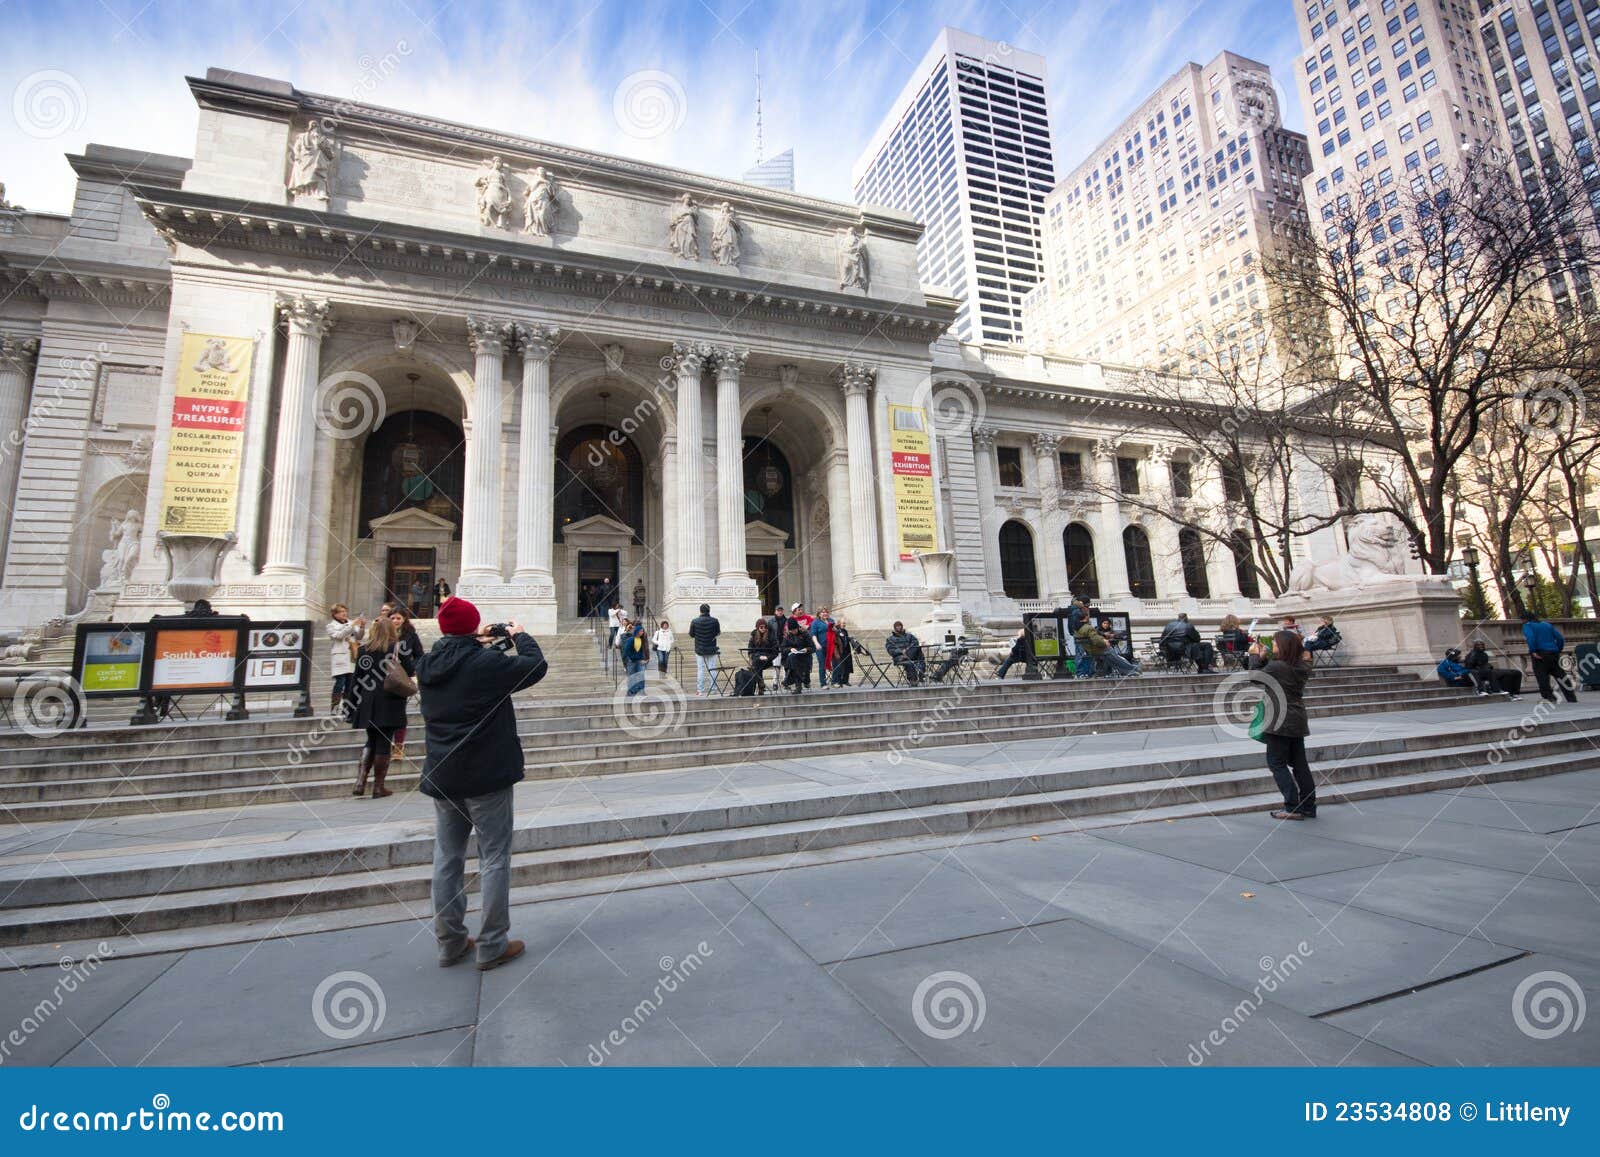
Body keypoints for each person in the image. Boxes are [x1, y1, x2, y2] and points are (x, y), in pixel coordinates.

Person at [418, 596, 547, 971]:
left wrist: (477, 641)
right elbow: (535, 667)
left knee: (447, 858)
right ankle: (492, 944)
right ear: (473, 627)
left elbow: (461, 663)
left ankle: (450, 942)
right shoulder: (485, 664)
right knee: (493, 859)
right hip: (486, 774)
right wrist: (518, 635)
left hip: (443, 774)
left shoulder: (428, 665)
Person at [1248, 630, 1316, 820]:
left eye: (1276, 644)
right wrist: (1263, 659)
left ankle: (1292, 807)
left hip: (1280, 719)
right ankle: (1309, 806)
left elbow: (1255, 677)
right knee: (1300, 765)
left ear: (1284, 647)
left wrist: (1254, 655)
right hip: (1297, 718)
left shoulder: (1278, 666)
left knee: (1276, 763)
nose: (1274, 647)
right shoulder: (1302, 666)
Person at [347, 615, 415, 800]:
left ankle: (360, 782)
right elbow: (409, 671)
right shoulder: (397, 648)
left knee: (371, 740)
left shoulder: (363, 650)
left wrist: (350, 705)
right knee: (385, 741)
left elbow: (356, 680)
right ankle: (378, 786)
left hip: (368, 700)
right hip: (390, 699)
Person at [388, 605, 424, 760]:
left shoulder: (411, 635)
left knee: (399, 713)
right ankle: (384, 744)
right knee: (385, 713)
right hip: (382, 678)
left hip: (401, 679)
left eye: (398, 618)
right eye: (393, 618)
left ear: (404, 620)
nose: (395, 621)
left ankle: (398, 746)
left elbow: (419, 654)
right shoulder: (381, 632)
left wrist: (413, 668)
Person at [1522, 611, 1577, 704]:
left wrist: (1533, 651)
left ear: (1525, 619)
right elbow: (1559, 638)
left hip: (1540, 653)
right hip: (1553, 652)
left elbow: (1530, 638)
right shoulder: (1546, 624)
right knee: (1560, 675)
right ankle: (1571, 697)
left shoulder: (1528, 626)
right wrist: (1558, 648)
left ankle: (1549, 697)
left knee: (1542, 676)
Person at [325, 604, 365, 718]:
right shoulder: (331, 626)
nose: (344, 613)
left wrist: (361, 626)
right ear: (334, 614)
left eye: (345, 611)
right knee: (340, 682)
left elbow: (359, 637)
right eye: (341, 611)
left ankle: (346, 708)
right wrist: (352, 625)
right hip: (339, 657)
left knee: (350, 683)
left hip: (352, 655)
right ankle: (334, 707)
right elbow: (338, 636)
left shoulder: (351, 622)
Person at [689, 603, 721, 696]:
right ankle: (714, 689)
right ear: (709, 610)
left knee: (701, 670)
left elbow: (691, 634)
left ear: (700, 611)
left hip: (700, 648)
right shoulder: (715, 621)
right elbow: (718, 633)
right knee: (712, 669)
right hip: (711, 648)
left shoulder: (695, 621)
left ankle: (700, 690)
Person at [781, 617, 815, 692]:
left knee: (792, 660)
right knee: (792, 658)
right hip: (793, 658)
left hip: (804, 657)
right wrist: (790, 649)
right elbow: (782, 649)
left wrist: (806, 649)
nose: (793, 631)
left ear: (797, 627)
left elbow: (813, 647)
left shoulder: (804, 634)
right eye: (791, 630)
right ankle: (801, 683)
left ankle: (788, 679)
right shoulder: (788, 636)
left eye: (795, 629)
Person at [747, 618, 778, 694]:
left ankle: (761, 685)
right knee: (757, 663)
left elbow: (775, 652)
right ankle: (761, 686)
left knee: (754, 666)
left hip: (768, 660)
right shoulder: (753, 637)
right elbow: (750, 651)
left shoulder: (771, 636)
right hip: (757, 660)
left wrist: (767, 657)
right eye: (761, 627)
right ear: (757, 628)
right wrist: (757, 656)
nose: (763, 629)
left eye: (765, 627)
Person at [620, 618, 649, 696]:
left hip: (641, 660)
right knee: (632, 676)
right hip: (631, 660)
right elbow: (626, 650)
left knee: (641, 676)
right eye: (641, 631)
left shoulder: (642, 639)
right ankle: (631, 691)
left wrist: (646, 658)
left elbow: (644, 649)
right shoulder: (628, 638)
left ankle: (641, 691)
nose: (642, 632)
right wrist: (633, 658)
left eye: (642, 630)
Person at [807, 608, 832, 688]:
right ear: (819, 614)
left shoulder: (831, 620)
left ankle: (835, 680)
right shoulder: (815, 622)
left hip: (831, 646)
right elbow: (813, 634)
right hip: (820, 647)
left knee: (835, 662)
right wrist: (816, 643)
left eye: (826, 612)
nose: (825, 613)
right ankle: (823, 683)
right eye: (823, 612)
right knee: (822, 664)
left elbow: (835, 630)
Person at [830, 620, 855, 687]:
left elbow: (845, 638)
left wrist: (849, 638)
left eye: (845, 623)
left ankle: (845, 680)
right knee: (840, 666)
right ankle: (839, 681)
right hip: (840, 651)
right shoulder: (837, 631)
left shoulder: (845, 631)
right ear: (839, 623)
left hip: (846, 650)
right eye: (843, 623)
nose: (844, 624)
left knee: (848, 666)